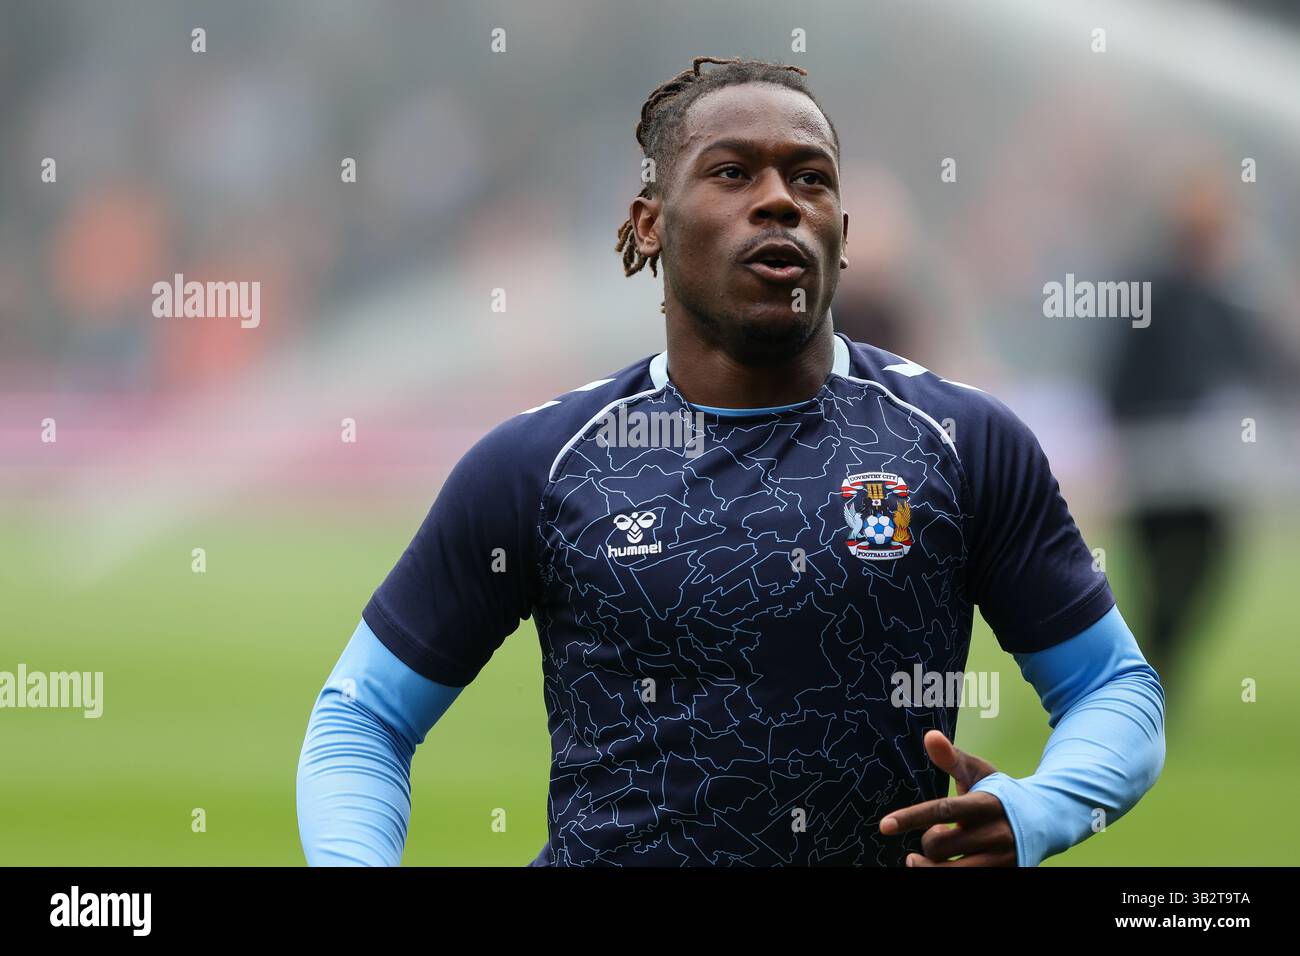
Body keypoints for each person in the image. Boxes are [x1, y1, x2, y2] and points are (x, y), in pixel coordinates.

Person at [298, 56, 1164, 867]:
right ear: (650, 223)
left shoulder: (963, 443)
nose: (780, 200)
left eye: (810, 177)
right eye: (732, 173)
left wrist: (1038, 810)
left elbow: (1115, 689)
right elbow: (364, 717)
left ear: (843, 233)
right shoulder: (540, 465)